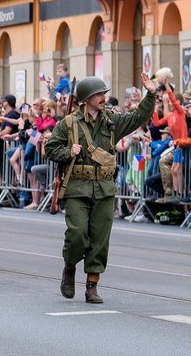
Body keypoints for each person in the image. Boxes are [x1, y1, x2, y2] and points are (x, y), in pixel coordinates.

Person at [46, 74, 156, 304]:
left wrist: (151, 94)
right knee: (77, 234)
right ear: (86, 98)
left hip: (104, 187)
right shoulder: (68, 123)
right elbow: (50, 148)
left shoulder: (111, 121)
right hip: (77, 187)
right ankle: (69, 266)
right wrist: (68, 152)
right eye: (98, 94)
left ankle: (92, 285)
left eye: (103, 93)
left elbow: (139, 117)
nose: (102, 97)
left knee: (100, 239)